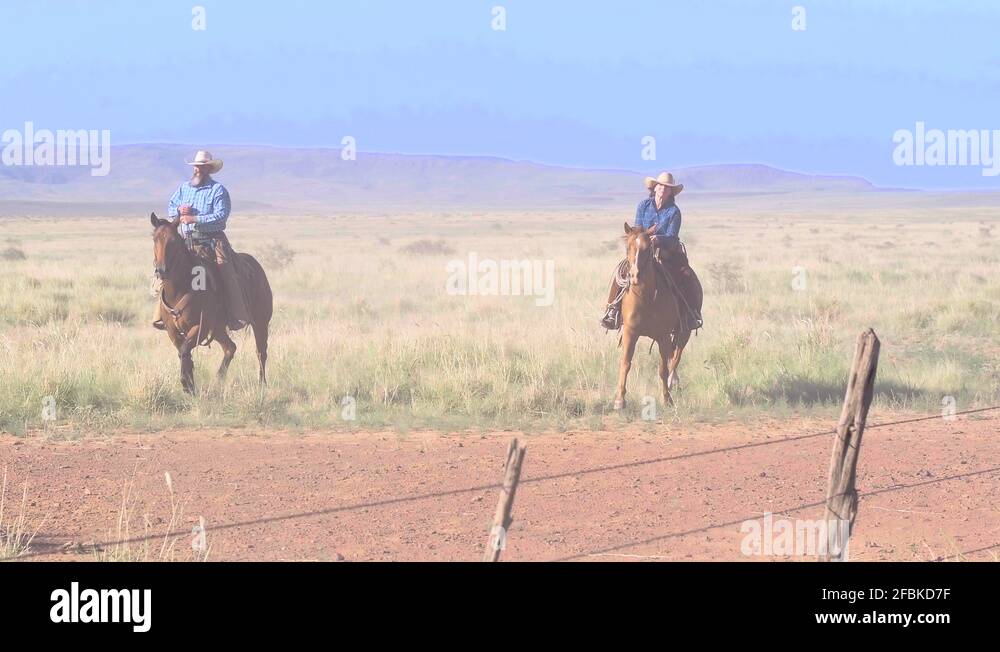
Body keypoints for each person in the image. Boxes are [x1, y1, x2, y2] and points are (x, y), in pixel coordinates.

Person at [151, 150, 250, 331]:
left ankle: (235, 314)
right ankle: (161, 315)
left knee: (224, 268)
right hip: (187, 241)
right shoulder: (184, 188)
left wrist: (195, 219)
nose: (198, 169)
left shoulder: (218, 190)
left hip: (212, 241)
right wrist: (179, 211)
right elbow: (172, 206)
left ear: (209, 169)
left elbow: (221, 216)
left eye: (203, 167)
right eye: (196, 166)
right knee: (165, 268)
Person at [600, 171, 703, 331]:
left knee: (685, 275)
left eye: (667, 187)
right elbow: (637, 230)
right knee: (621, 272)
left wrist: (658, 239)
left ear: (670, 192)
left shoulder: (674, 211)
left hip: (667, 251)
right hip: (643, 249)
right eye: (660, 185)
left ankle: (690, 314)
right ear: (655, 188)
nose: (663, 189)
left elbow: (672, 236)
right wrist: (643, 240)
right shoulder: (643, 206)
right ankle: (612, 311)